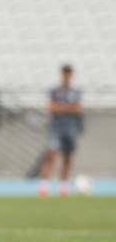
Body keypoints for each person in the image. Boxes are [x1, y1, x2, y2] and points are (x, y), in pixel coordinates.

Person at [38, 65, 83, 198]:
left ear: (71, 75)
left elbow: (78, 109)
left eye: (69, 74)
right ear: (62, 75)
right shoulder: (55, 91)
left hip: (70, 128)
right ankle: (44, 188)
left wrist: (62, 108)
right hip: (55, 128)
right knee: (51, 156)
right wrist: (69, 108)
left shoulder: (76, 92)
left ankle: (63, 188)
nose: (67, 76)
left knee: (67, 158)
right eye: (65, 74)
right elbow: (51, 108)